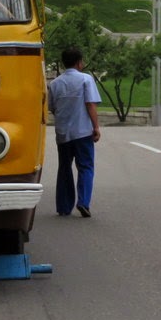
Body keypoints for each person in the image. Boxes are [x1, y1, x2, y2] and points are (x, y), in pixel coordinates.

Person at [47, 47, 102, 217]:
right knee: (85, 166)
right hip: (83, 132)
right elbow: (90, 104)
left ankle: (64, 207)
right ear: (79, 63)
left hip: (63, 134)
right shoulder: (86, 79)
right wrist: (96, 127)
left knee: (64, 168)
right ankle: (83, 202)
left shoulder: (55, 83)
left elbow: (52, 108)